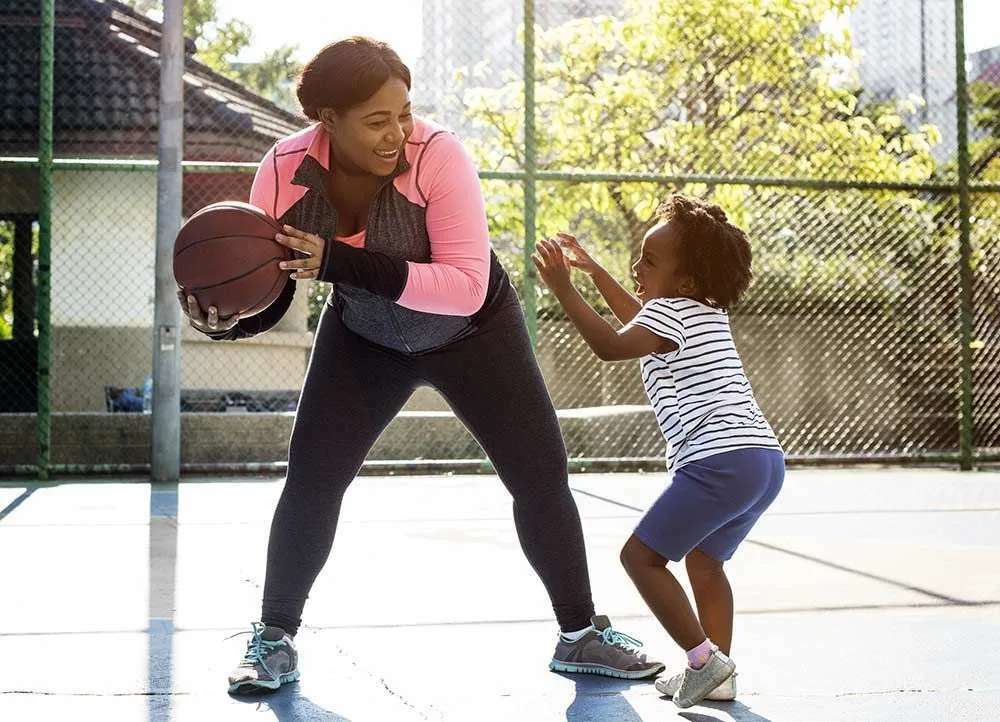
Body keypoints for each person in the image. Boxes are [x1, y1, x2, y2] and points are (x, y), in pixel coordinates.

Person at [176, 36, 663, 694]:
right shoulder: (283, 171)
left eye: (404, 113)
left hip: (475, 331)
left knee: (541, 474)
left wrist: (340, 263)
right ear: (328, 120)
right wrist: (233, 322)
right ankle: (273, 640)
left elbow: (462, 284)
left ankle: (581, 636)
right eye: (377, 120)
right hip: (365, 337)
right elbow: (281, 287)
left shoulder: (438, 156)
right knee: (313, 479)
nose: (397, 133)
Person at [532, 194, 784, 708]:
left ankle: (701, 660)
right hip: (762, 460)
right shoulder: (700, 313)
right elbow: (636, 317)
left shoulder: (670, 316)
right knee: (706, 563)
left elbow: (611, 343)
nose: (636, 266)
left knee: (640, 558)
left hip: (718, 459)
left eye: (648, 261)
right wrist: (594, 268)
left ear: (685, 281)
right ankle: (720, 674)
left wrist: (563, 287)